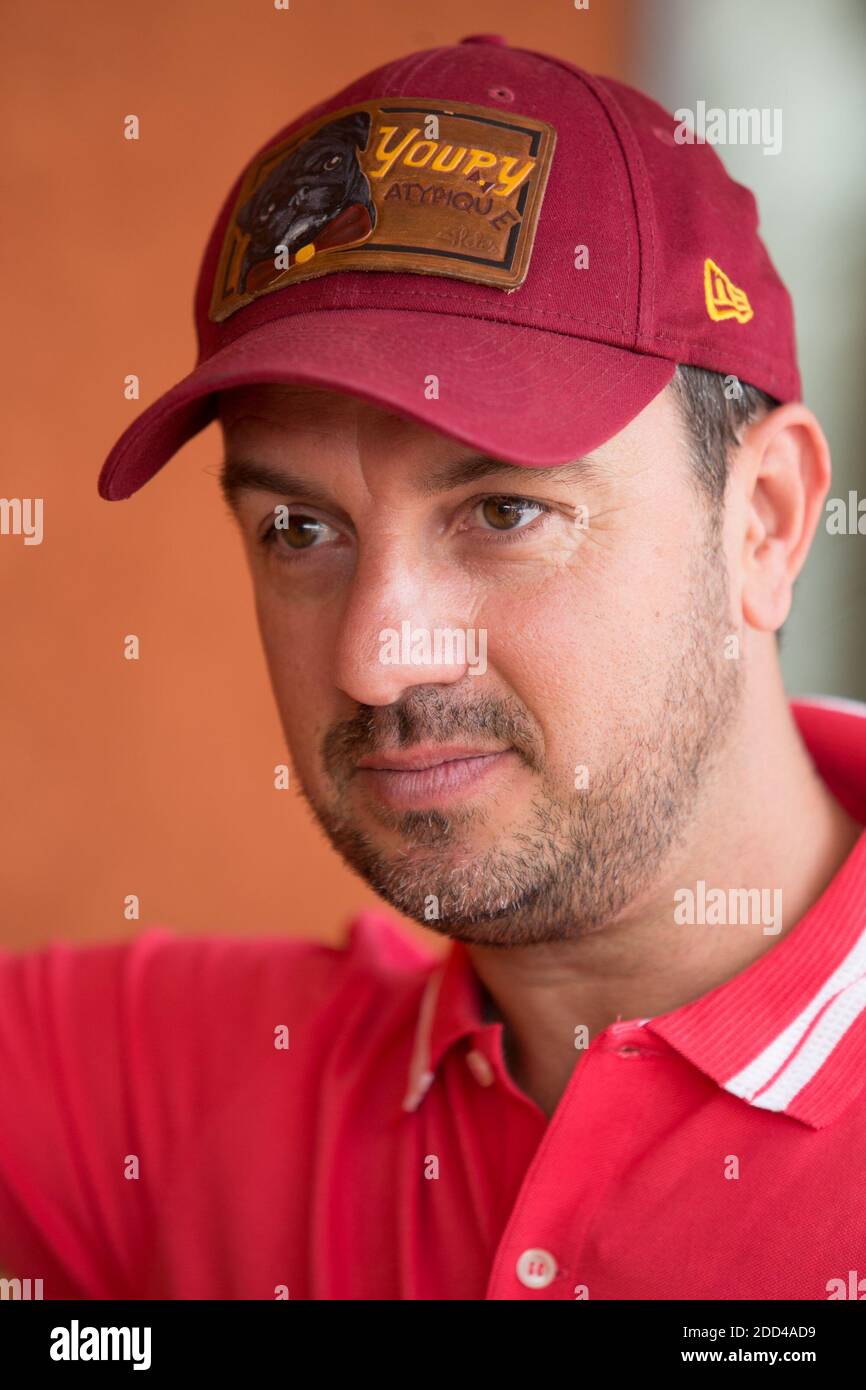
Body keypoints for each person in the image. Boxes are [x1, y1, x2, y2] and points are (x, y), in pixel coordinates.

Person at [2, 34, 864, 1302]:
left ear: (766, 521)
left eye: (502, 512)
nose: (372, 657)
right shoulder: (144, 1098)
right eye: (300, 530)